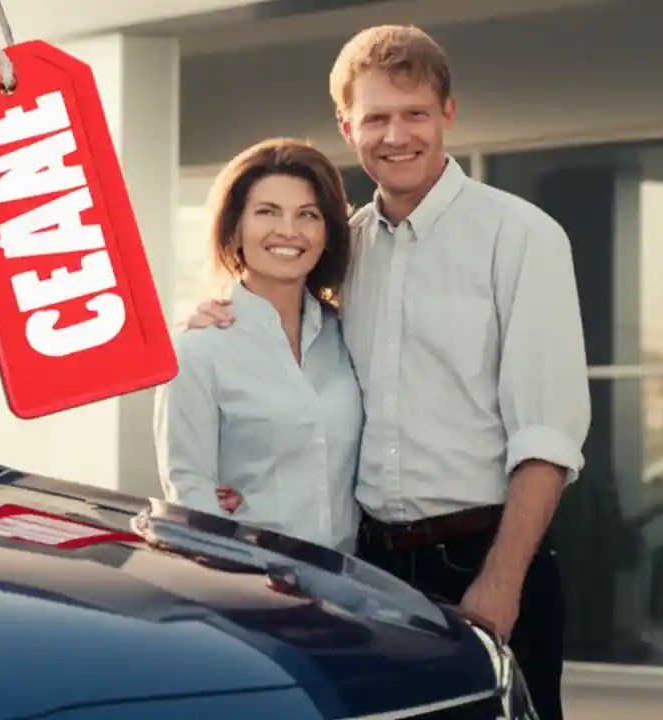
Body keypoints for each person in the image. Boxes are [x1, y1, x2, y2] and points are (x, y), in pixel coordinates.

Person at [183, 25, 590, 720]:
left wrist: (500, 581)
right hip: (368, 567)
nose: (395, 135)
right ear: (347, 125)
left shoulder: (522, 237)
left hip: (486, 556)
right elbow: (280, 320)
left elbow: (547, 438)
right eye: (375, 117)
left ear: (448, 116)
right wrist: (210, 312)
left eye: (415, 114)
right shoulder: (346, 248)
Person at [153, 137, 363, 554]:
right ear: (235, 228)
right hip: (250, 588)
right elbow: (188, 492)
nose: (288, 230)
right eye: (267, 212)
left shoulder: (348, 337)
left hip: (351, 588)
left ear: (327, 232)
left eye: (308, 214)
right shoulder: (198, 351)